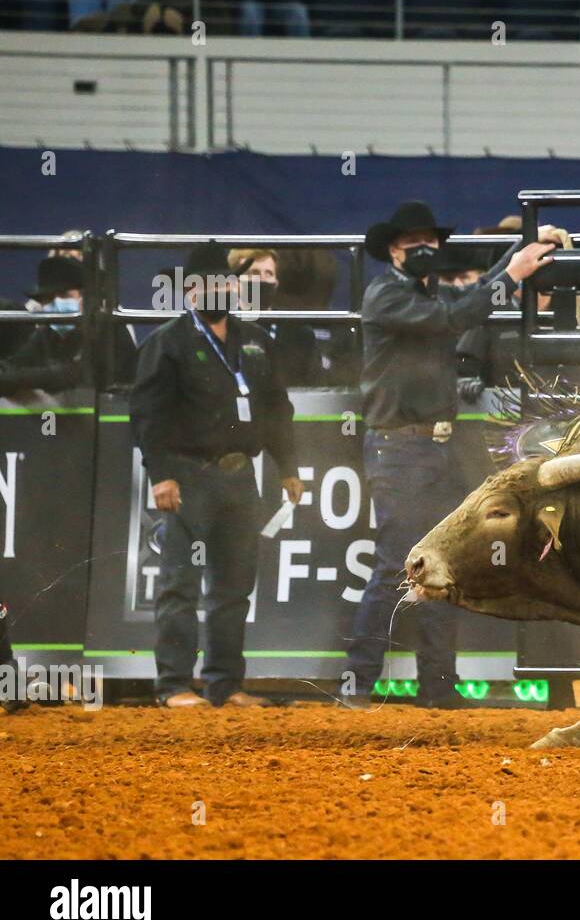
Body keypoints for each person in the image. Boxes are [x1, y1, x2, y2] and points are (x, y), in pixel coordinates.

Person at [341, 201, 554, 709]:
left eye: (429, 243)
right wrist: (515, 270)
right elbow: (457, 313)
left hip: (430, 446)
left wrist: (517, 254)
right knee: (397, 563)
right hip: (401, 446)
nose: (424, 251)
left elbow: (461, 303)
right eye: (414, 244)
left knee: (438, 564)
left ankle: (436, 687)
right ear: (393, 250)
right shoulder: (387, 296)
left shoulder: (414, 292)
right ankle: (358, 684)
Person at [130, 242, 304, 708]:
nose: (222, 290)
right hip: (189, 475)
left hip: (240, 476)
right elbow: (148, 414)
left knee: (233, 587)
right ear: (189, 292)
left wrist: (287, 466)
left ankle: (226, 684)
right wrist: (161, 475)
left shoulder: (255, 341)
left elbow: (276, 408)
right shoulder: (167, 342)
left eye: (228, 282)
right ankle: (173, 685)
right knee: (180, 584)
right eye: (212, 284)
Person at [229, 247, 325, 386]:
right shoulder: (221, 328)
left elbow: (316, 388)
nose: (262, 280)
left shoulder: (300, 335)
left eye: (269, 273)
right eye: (254, 273)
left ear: (276, 284)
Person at [0, 256, 84, 396]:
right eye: (49, 298)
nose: (57, 303)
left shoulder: (108, 333)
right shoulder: (48, 334)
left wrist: (15, 379)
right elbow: (15, 365)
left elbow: (70, 375)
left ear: (84, 296)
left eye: (64, 295)